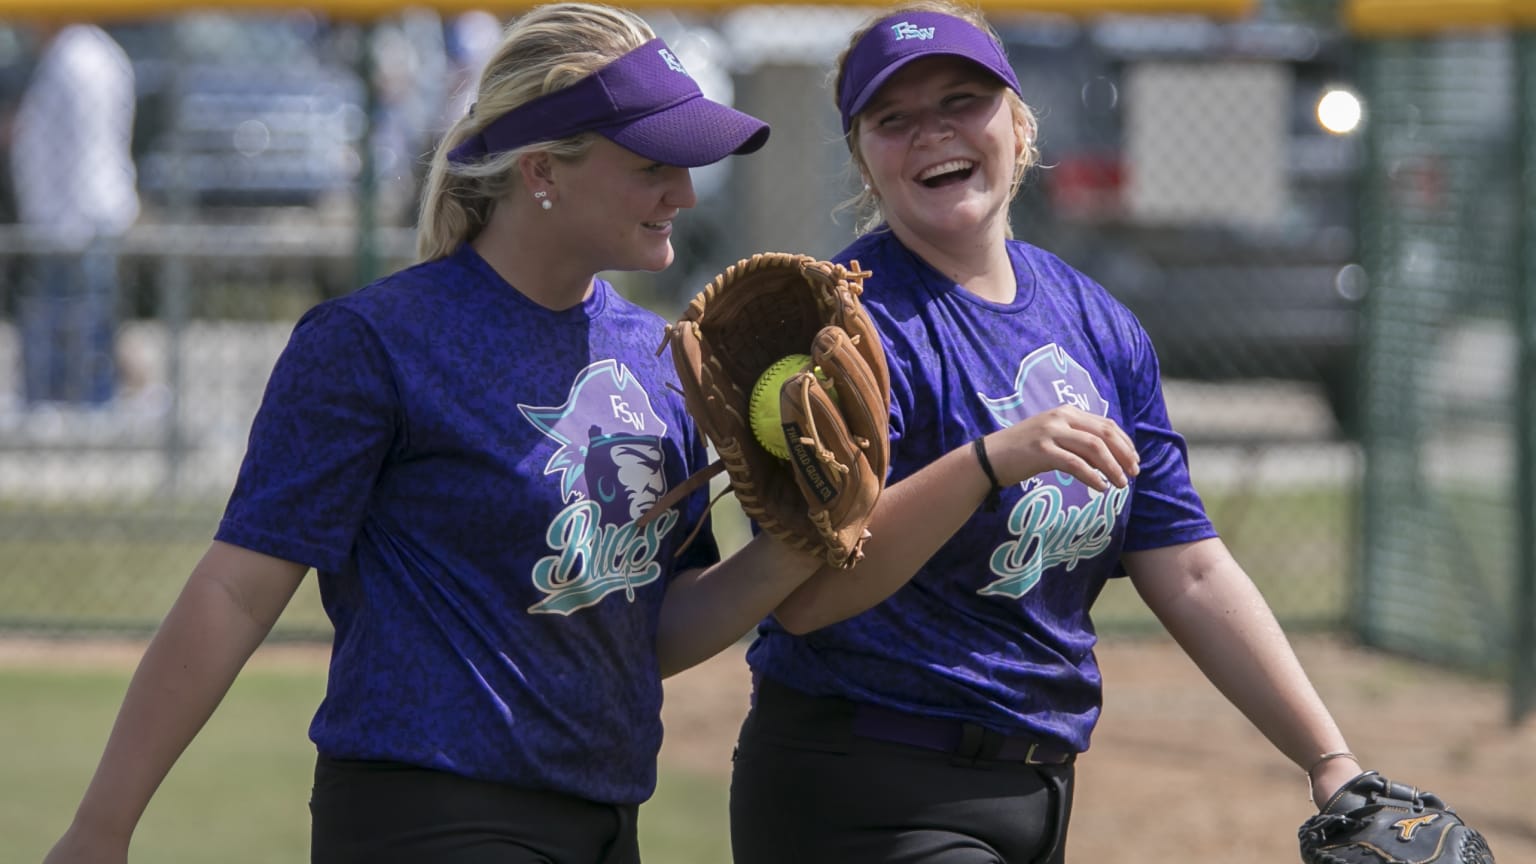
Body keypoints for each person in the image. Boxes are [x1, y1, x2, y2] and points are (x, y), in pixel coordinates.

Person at [43, 4, 824, 862]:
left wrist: (798, 542)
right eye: (651, 165)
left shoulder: (663, 358)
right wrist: (101, 827)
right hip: (430, 814)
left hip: (605, 822)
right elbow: (235, 589)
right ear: (541, 170)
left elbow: (651, 630)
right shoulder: (376, 342)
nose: (683, 191)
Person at [728, 3, 1367, 861]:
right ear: (864, 161)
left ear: (1020, 127)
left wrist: (1330, 761)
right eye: (894, 119)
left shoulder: (1094, 322)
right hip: (866, 784)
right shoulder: (852, 333)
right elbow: (807, 601)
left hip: (1038, 788)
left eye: (962, 100)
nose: (932, 134)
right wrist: (987, 462)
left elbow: (1189, 563)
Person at [9, 20, 138, 407]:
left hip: (76, 215)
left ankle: (84, 402)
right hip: (73, 213)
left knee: (82, 319)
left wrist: (67, 220)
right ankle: (69, 399)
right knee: (76, 315)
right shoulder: (85, 52)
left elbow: (77, 144)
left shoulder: (76, 57)